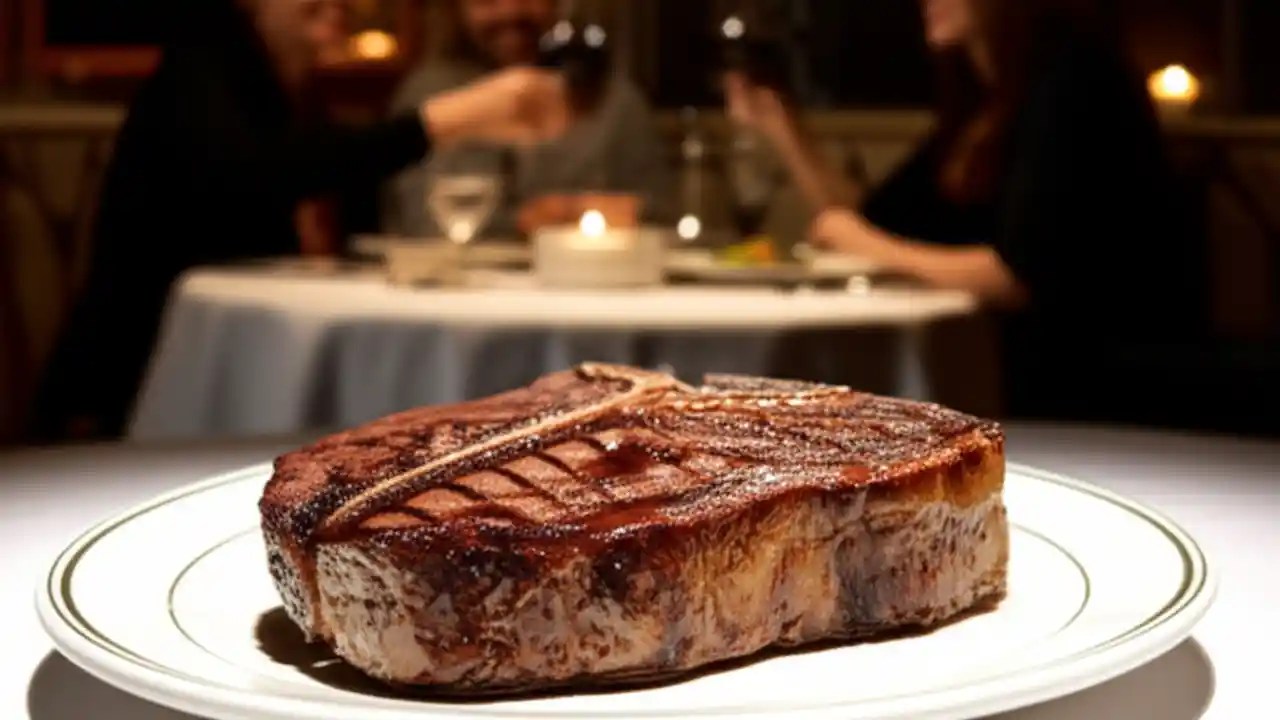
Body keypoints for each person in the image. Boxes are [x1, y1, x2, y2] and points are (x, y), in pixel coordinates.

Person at [31, 0, 568, 441]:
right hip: (132, 373)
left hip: (242, 357)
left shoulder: (294, 85)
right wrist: (444, 121)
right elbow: (257, 170)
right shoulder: (203, 57)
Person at [729, 0, 1203, 423]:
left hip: (1093, 384)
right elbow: (868, 218)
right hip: (1007, 371)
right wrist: (781, 127)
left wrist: (866, 244)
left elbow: (1015, 276)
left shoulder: (1075, 79)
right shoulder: (981, 104)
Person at [383, 0, 674, 238]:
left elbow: (662, 218)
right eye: (487, 1)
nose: (511, 10)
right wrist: (535, 219)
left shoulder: (618, 103)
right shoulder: (429, 98)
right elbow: (422, 225)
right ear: (457, 9)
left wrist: (565, 213)